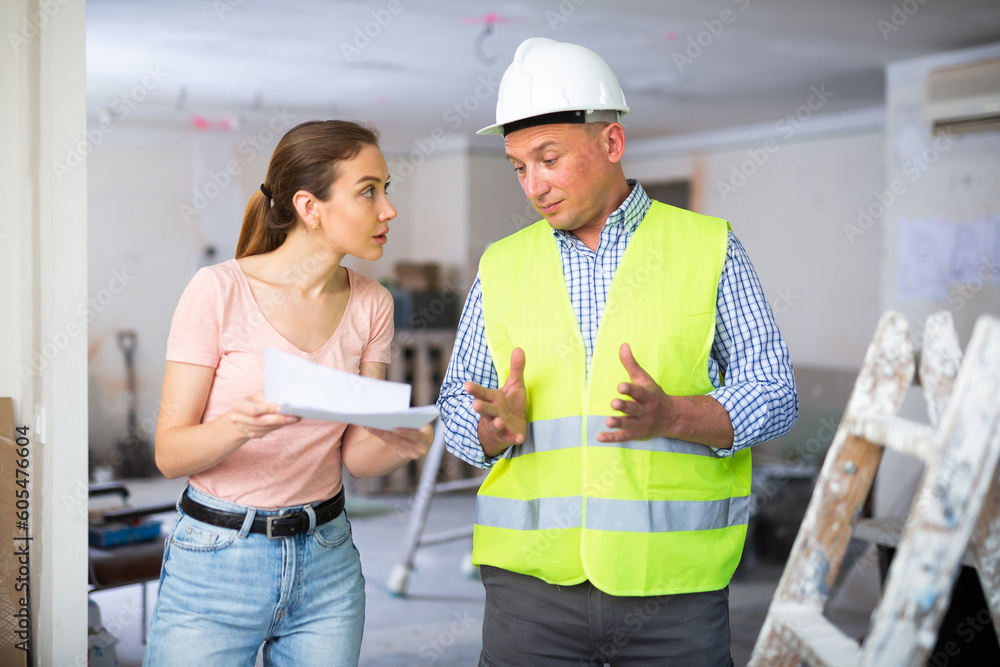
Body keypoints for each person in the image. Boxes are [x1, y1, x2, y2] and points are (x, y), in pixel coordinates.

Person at [436, 38, 798, 666]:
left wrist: (675, 417)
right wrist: (490, 431)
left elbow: (774, 392)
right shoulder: (501, 264)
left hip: (673, 591)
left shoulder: (708, 246)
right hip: (530, 589)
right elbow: (454, 410)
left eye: (549, 158)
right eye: (519, 167)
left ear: (611, 144)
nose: (534, 185)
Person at [145, 120, 433, 666]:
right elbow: (169, 453)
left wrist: (400, 440)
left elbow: (357, 456)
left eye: (386, 189)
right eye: (369, 191)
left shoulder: (372, 302)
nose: (388, 209)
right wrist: (239, 426)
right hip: (216, 558)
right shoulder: (217, 291)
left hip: (327, 559)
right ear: (310, 205)